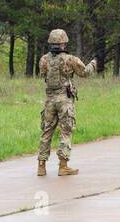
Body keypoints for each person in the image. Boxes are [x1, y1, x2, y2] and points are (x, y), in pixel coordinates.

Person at [38, 28, 96, 176]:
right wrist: (94, 63)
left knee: (46, 132)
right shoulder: (70, 59)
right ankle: (63, 166)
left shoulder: (44, 59)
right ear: (64, 43)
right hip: (64, 100)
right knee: (65, 131)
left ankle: (41, 166)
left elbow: (43, 74)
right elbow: (84, 73)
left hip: (49, 100)